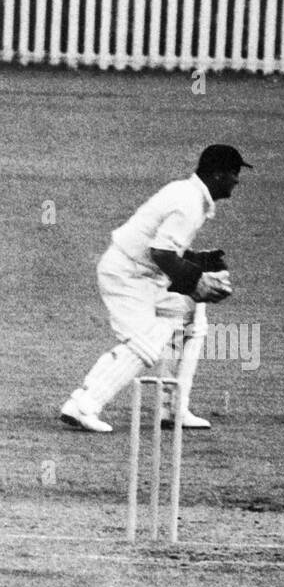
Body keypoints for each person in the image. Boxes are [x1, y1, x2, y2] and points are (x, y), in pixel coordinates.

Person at [60, 144, 250, 432]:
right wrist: (196, 280)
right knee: (146, 342)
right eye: (234, 173)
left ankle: (173, 409)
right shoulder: (188, 203)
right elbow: (161, 253)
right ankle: (83, 405)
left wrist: (198, 260)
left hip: (148, 273)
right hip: (127, 273)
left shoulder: (189, 194)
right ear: (218, 175)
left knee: (190, 322)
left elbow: (163, 248)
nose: (237, 180)